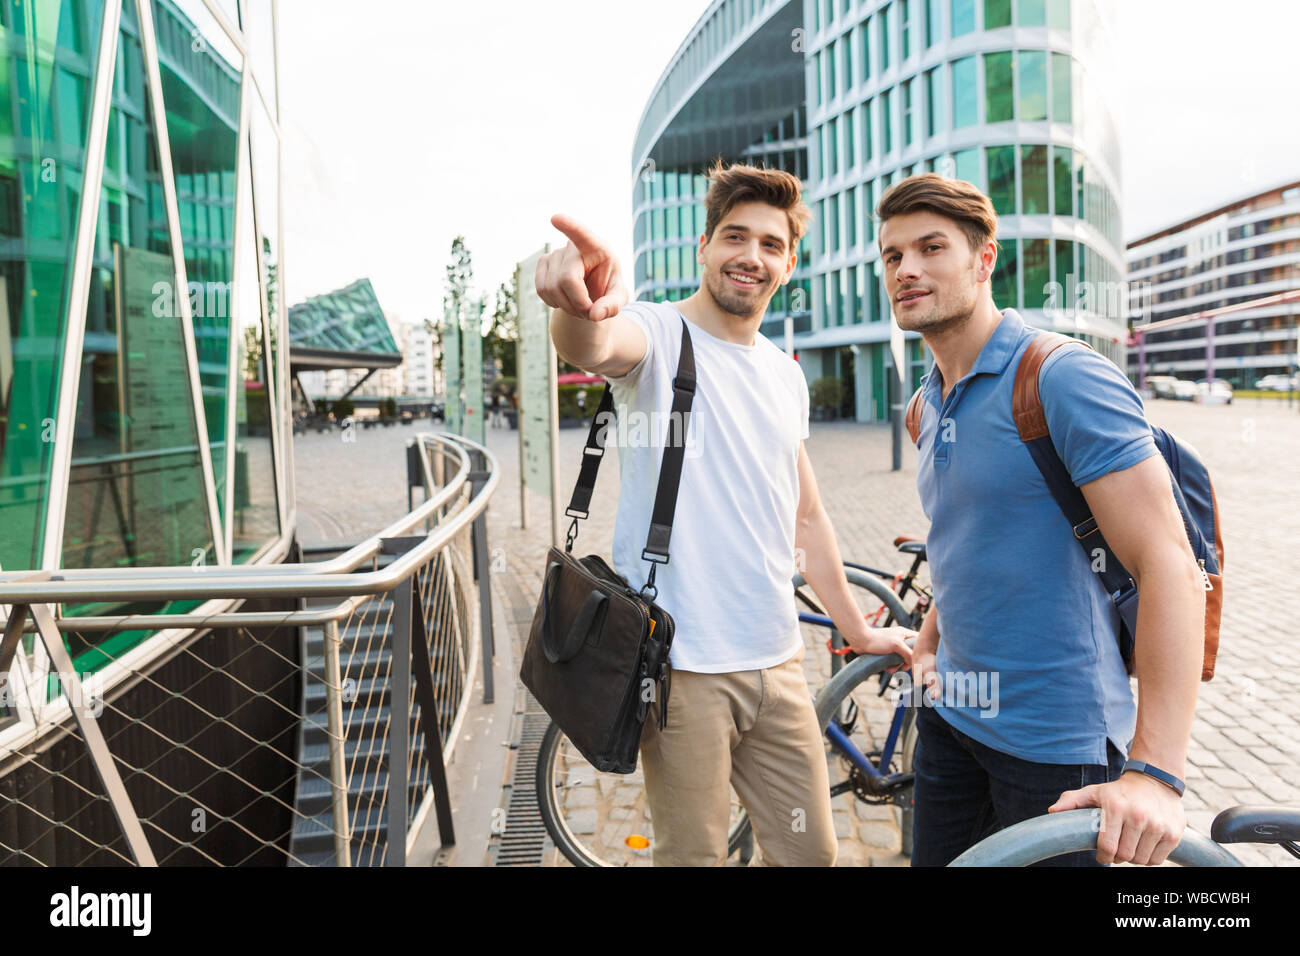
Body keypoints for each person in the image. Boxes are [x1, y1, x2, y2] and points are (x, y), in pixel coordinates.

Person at [536, 161, 914, 866]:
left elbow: (807, 518)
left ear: (789, 263)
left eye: (771, 244)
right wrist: (577, 304)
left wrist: (857, 626)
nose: (752, 256)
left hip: (778, 666)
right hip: (684, 670)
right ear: (704, 246)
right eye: (735, 237)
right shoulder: (656, 335)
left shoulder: (782, 372)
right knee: (693, 859)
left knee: (810, 854)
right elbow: (592, 343)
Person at [875, 173, 1205, 867]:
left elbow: (1169, 562)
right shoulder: (924, 405)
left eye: (931, 247)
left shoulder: (1060, 378)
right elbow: (960, 540)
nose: (907, 269)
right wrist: (929, 642)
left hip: (1059, 751)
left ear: (984, 258)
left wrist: (1155, 773)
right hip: (951, 724)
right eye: (892, 255)